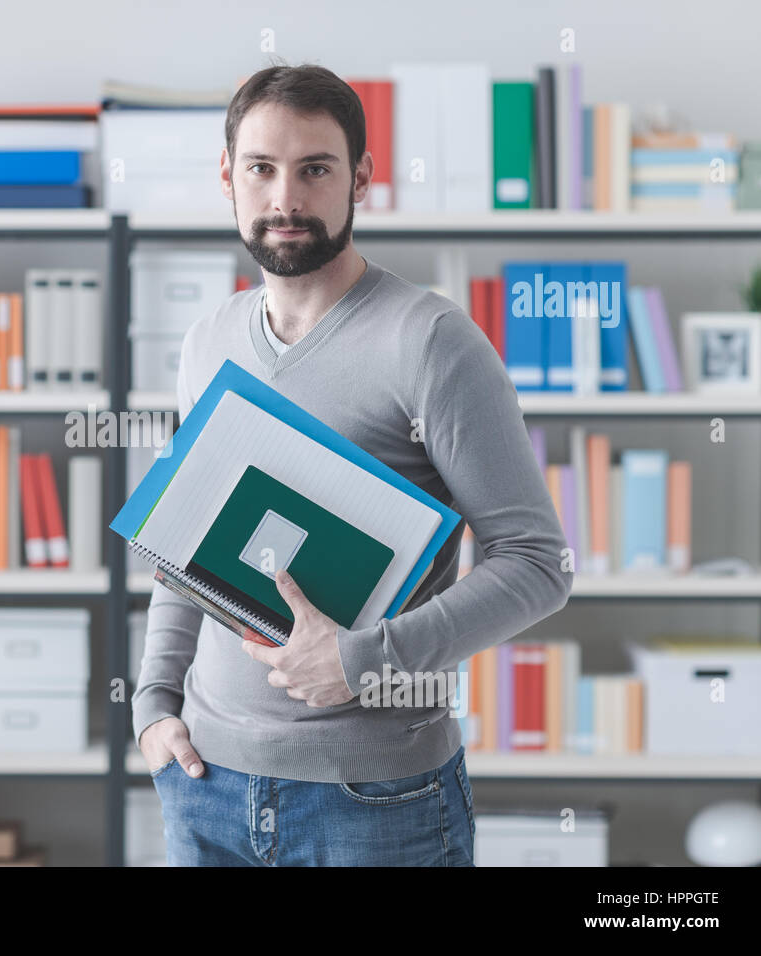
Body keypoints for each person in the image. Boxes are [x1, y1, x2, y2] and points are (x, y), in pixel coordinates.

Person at [133, 63, 573, 866]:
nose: (286, 199)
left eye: (316, 169)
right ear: (228, 177)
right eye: (262, 169)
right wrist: (155, 709)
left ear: (361, 179)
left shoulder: (433, 344)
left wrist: (359, 662)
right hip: (205, 782)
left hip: (377, 802)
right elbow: (183, 554)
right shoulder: (207, 342)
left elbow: (539, 564)